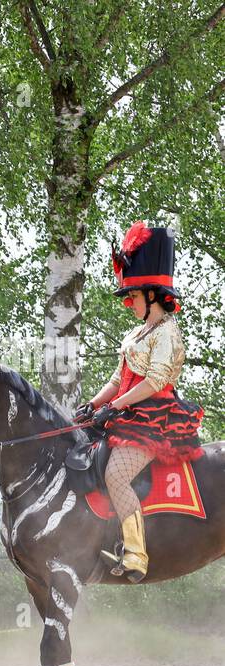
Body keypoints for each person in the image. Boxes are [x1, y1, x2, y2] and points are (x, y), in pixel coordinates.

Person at [73, 222, 204, 582]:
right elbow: (118, 380)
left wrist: (115, 407)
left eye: (133, 296)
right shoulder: (135, 334)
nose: (128, 302)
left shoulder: (168, 332)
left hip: (154, 417)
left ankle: (135, 555)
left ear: (152, 295)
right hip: (125, 411)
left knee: (116, 475)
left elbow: (155, 381)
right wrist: (93, 404)